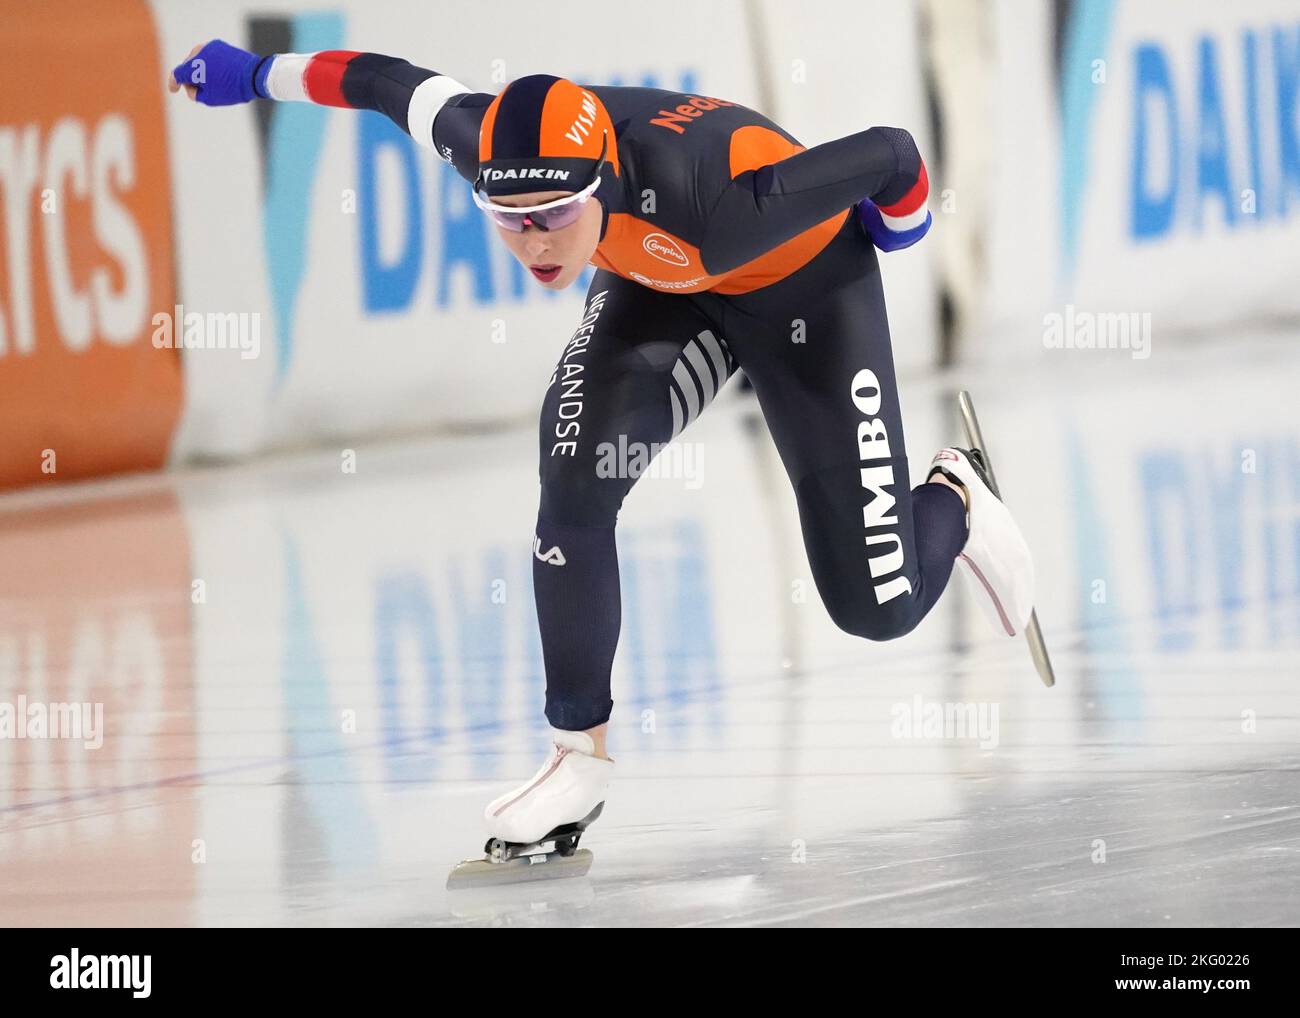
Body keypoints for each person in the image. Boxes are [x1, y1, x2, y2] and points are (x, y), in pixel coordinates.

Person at [169, 40, 1034, 851]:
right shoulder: (486, 140)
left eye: (552, 216)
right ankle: (576, 758)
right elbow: (377, 80)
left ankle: (956, 496)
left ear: (602, 183)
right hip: (666, 288)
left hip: (801, 291)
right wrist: (252, 75)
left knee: (876, 608)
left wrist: (903, 225)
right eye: (506, 218)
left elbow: (890, 152)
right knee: (575, 478)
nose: (534, 244)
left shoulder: (732, 205)